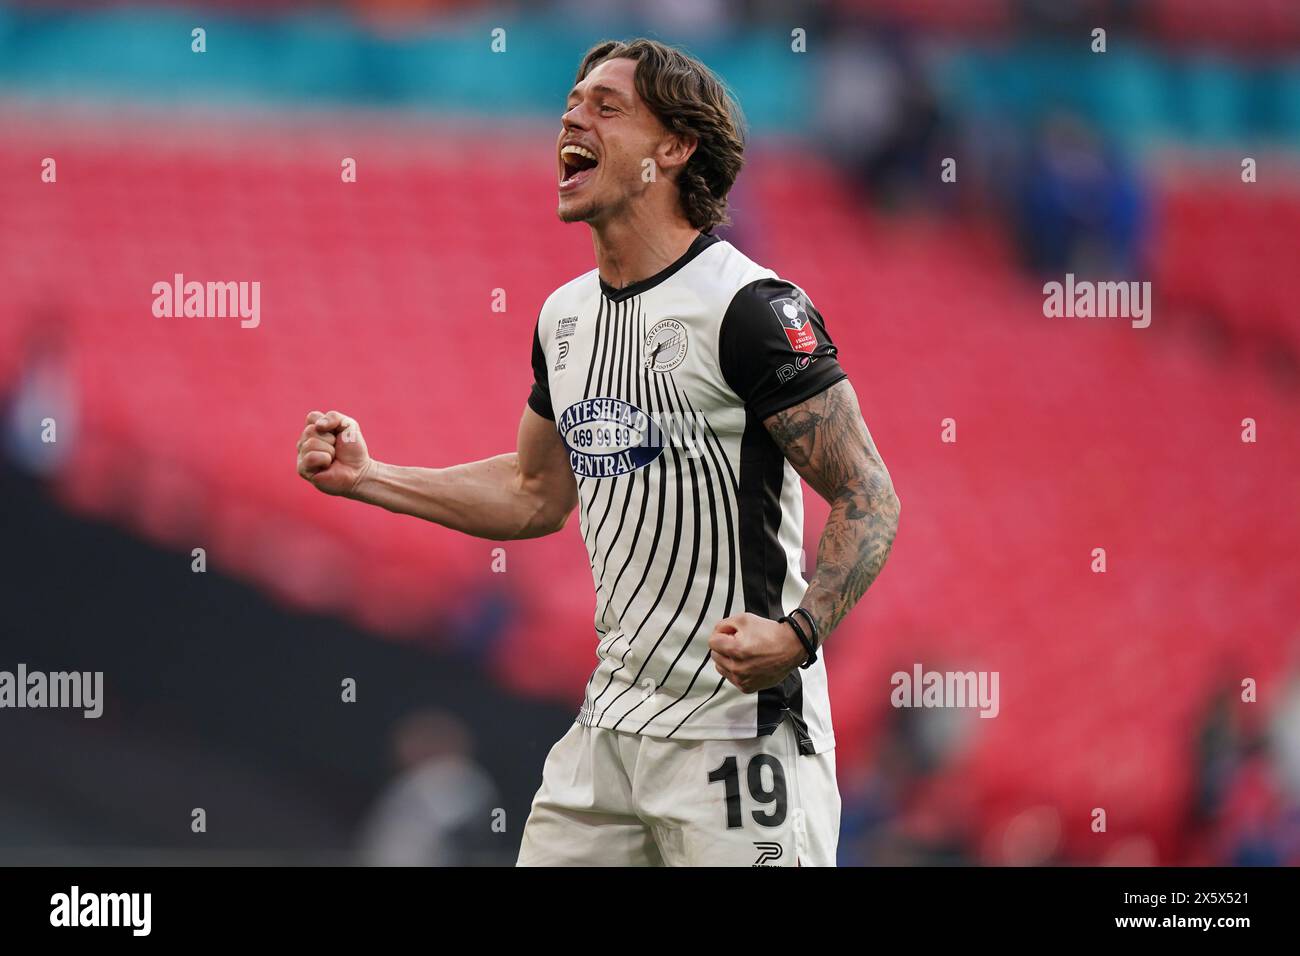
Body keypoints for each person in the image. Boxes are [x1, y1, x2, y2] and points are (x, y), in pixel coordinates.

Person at [296, 38, 900, 866]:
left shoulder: (750, 309)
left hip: (738, 736)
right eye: (572, 104)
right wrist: (370, 477)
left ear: (674, 149)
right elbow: (532, 491)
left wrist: (798, 635)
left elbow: (869, 494)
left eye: (606, 107)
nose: (573, 118)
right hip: (607, 736)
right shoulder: (562, 319)